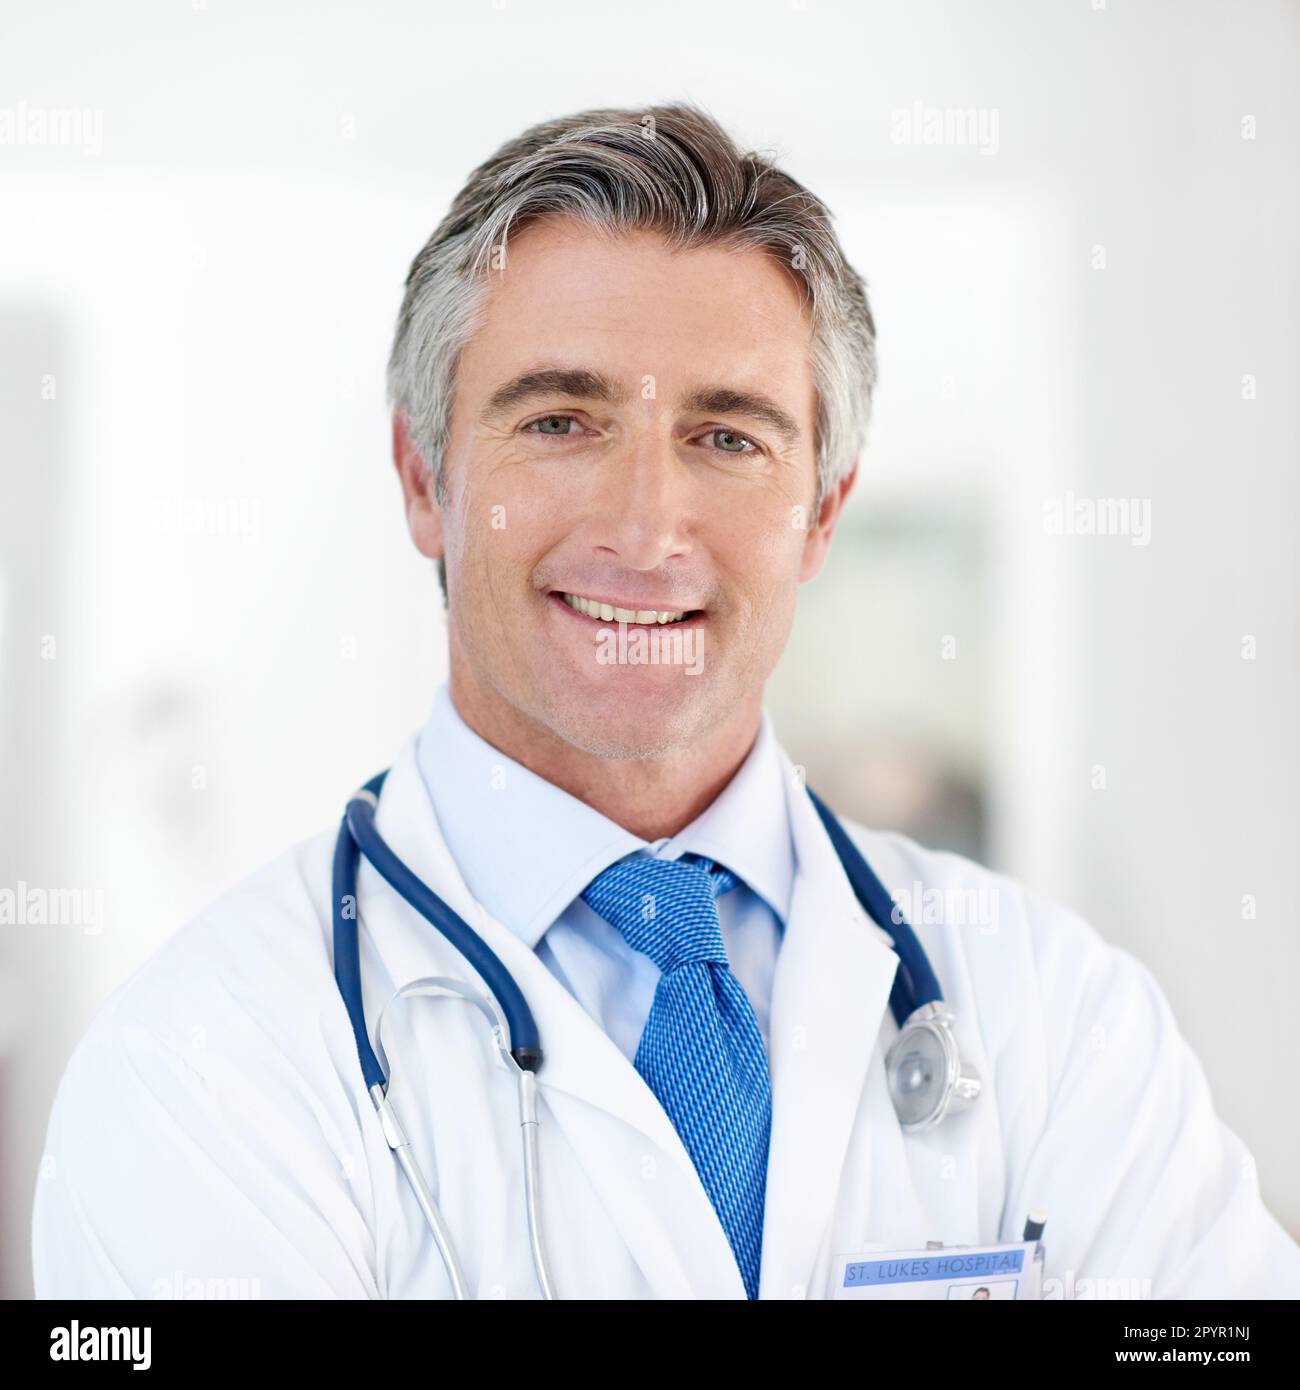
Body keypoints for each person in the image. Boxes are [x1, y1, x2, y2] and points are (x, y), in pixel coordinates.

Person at [32, 103, 1300, 1301]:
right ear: (424, 475)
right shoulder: (204, 1066)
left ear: (822, 512)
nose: (646, 528)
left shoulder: (1055, 1014)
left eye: (728, 436)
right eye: (561, 420)